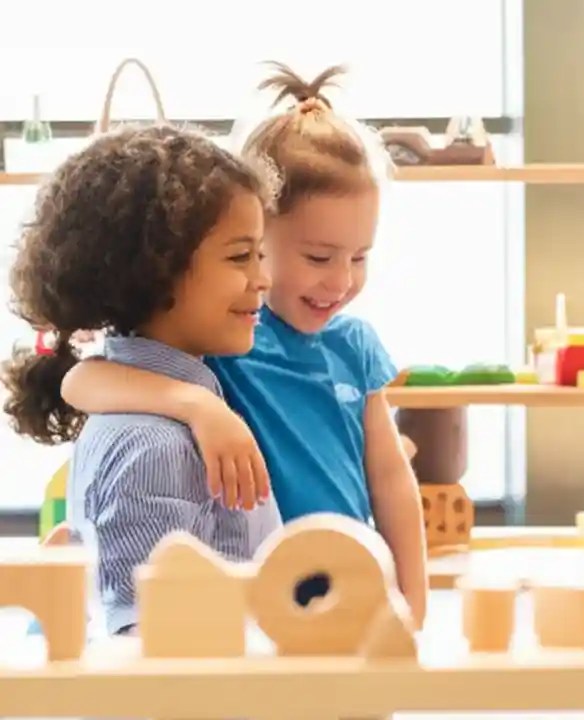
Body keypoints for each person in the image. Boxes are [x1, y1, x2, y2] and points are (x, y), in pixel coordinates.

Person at [59, 63, 428, 628]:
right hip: (272, 595)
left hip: (353, 586)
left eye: (360, 257)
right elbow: (82, 379)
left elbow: (390, 481)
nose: (342, 281)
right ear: (261, 235)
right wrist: (198, 405)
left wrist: (414, 604)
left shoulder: (354, 343)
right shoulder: (232, 336)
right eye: (319, 257)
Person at [1, 124, 283, 635]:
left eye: (260, 254)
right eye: (241, 255)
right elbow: (145, 643)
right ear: (155, 271)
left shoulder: (164, 405)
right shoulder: (155, 448)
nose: (263, 278)